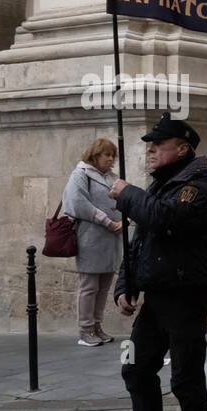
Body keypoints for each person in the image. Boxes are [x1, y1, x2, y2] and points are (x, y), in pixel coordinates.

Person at [105, 116, 207, 411]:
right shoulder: (161, 185)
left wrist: (126, 193)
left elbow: (162, 219)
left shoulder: (198, 186)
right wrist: (126, 284)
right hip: (156, 297)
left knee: (185, 377)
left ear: (183, 148)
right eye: (149, 144)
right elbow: (141, 241)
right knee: (135, 368)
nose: (150, 150)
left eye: (160, 144)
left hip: (185, 296)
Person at [63, 139, 124, 346]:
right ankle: (85, 330)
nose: (110, 159)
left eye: (112, 155)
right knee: (89, 286)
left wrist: (125, 220)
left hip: (111, 238)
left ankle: (97, 325)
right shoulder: (80, 174)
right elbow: (77, 203)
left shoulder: (113, 177)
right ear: (95, 155)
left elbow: (126, 201)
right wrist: (107, 221)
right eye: (106, 154)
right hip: (90, 238)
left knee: (104, 285)